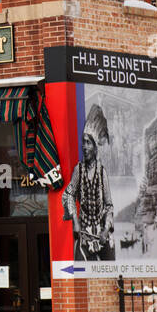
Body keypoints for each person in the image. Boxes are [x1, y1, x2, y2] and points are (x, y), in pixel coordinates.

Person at [61, 103, 115, 261]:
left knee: (111, 270)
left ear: (95, 147)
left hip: (101, 233)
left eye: (88, 143)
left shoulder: (101, 172)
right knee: (79, 265)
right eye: (83, 142)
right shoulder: (79, 170)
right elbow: (70, 194)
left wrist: (105, 230)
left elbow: (109, 205)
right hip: (84, 233)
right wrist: (75, 221)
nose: (84, 147)